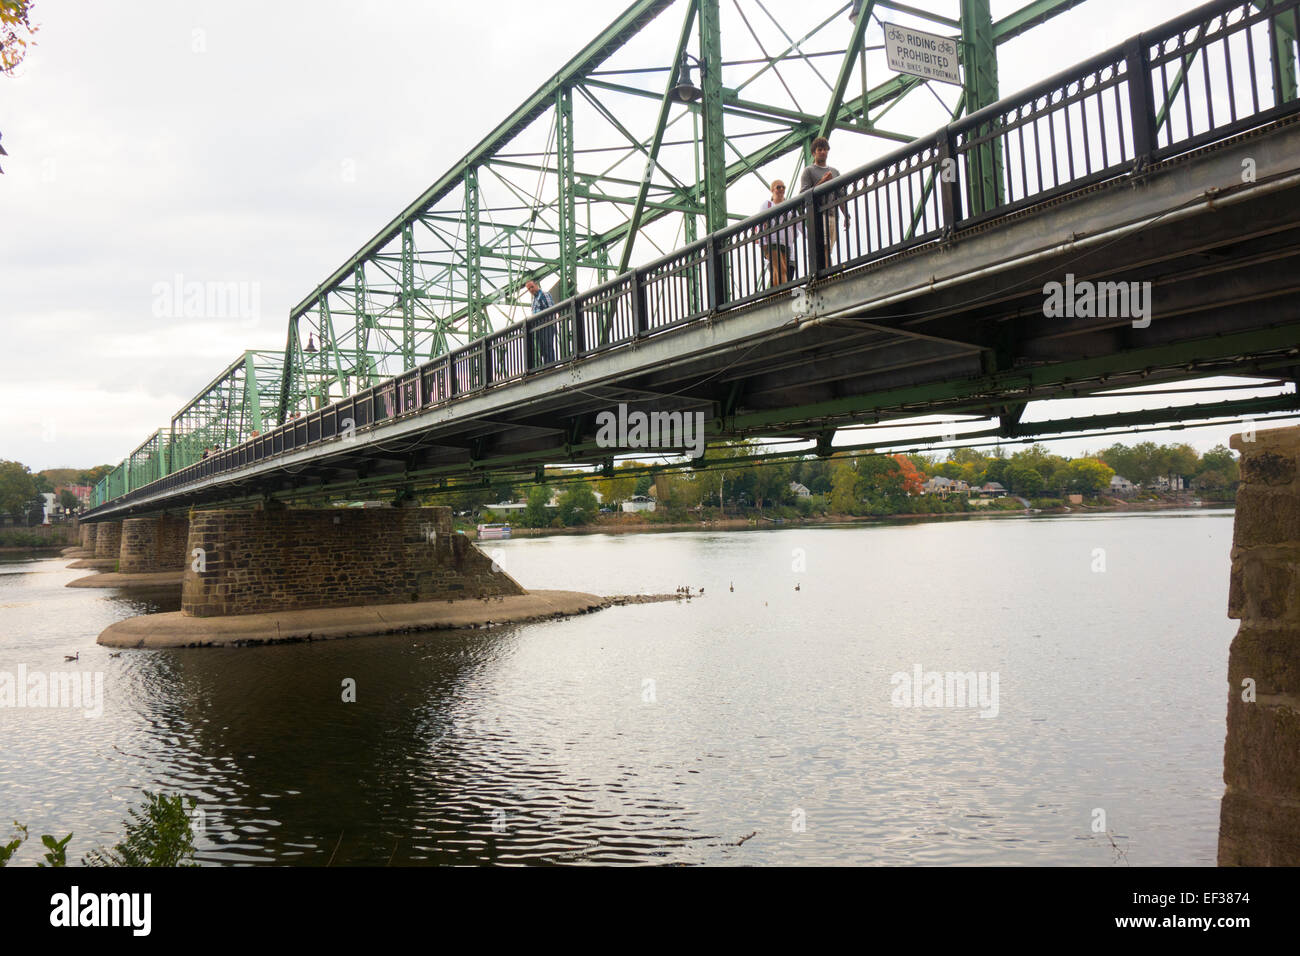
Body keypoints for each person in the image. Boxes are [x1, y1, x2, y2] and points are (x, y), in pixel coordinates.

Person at [798, 136, 842, 270]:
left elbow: (840, 195)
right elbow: (804, 195)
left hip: (833, 215)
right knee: (824, 247)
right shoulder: (809, 171)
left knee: (829, 248)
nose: (823, 152)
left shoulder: (835, 172)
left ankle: (826, 272)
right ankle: (828, 273)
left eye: (825, 149)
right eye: (820, 149)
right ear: (813, 153)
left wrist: (847, 215)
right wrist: (823, 181)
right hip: (819, 214)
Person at [757, 180, 796, 287]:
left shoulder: (790, 206)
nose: (781, 189)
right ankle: (785, 293)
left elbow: (799, 225)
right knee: (781, 268)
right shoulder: (768, 204)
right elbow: (760, 224)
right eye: (778, 187)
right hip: (771, 242)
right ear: (772, 190)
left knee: (777, 270)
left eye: (783, 187)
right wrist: (762, 243)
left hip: (786, 244)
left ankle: (775, 294)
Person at [526, 279, 557, 365]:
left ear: (536, 285)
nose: (531, 290)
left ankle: (550, 365)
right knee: (543, 349)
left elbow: (551, 309)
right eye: (529, 289)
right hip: (539, 327)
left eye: (532, 287)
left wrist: (549, 322)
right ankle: (546, 365)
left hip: (547, 325)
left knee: (548, 346)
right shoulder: (534, 300)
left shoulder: (544, 294)